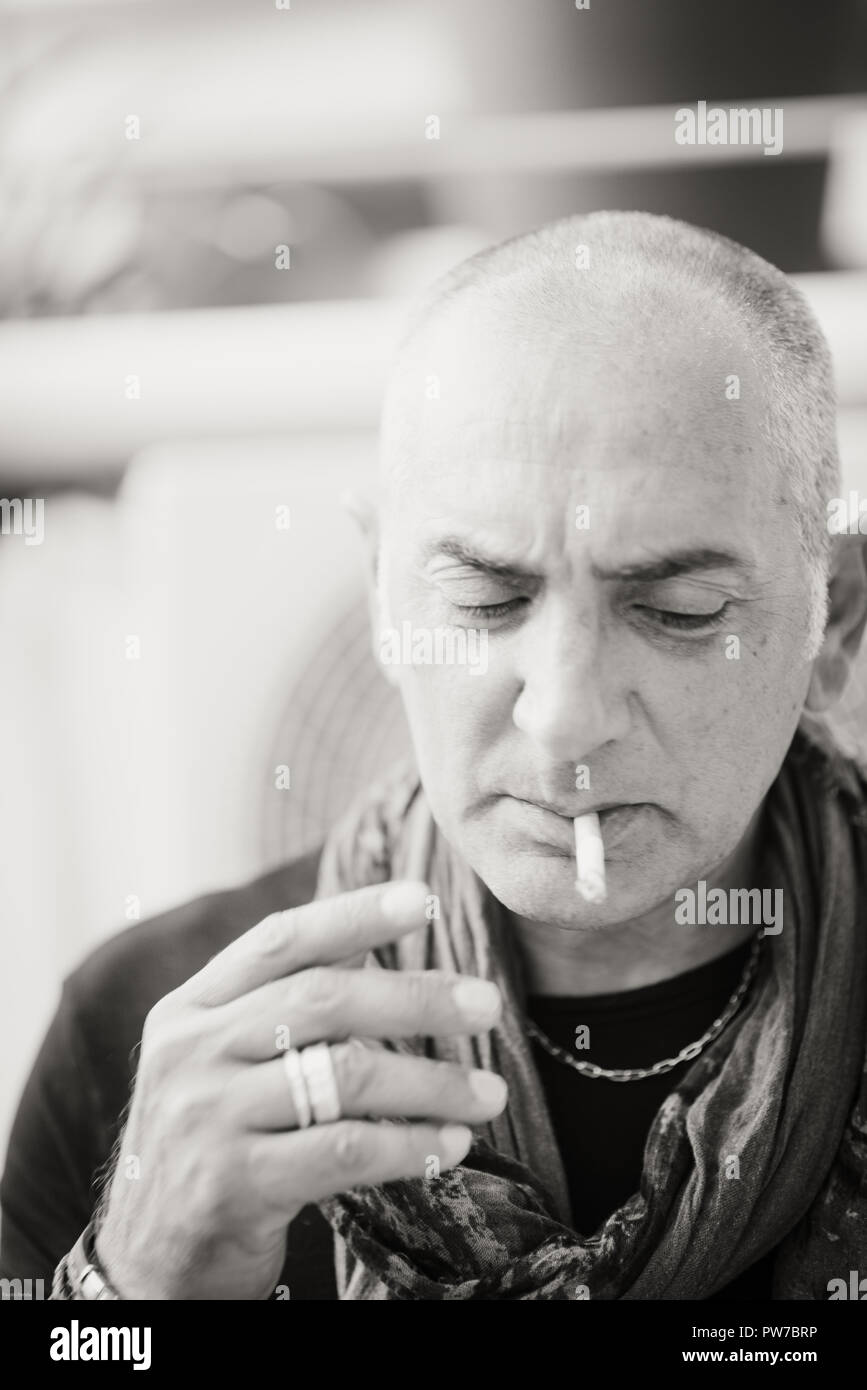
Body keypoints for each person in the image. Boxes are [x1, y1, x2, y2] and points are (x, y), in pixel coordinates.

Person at [3, 210, 866, 1301]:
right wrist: (136, 1288)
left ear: (831, 625)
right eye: (488, 600)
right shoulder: (153, 1037)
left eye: (679, 611)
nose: (564, 717)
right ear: (384, 597)